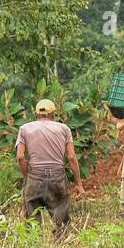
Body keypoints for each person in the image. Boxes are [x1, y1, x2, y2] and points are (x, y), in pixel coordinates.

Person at [15, 98, 84, 238]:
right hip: (57, 177)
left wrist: (27, 177)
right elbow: (71, 157)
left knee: (31, 221)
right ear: (53, 114)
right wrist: (79, 184)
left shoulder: (25, 129)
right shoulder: (64, 129)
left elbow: (20, 157)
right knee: (62, 222)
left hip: (34, 176)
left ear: (36, 114)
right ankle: (60, 247)